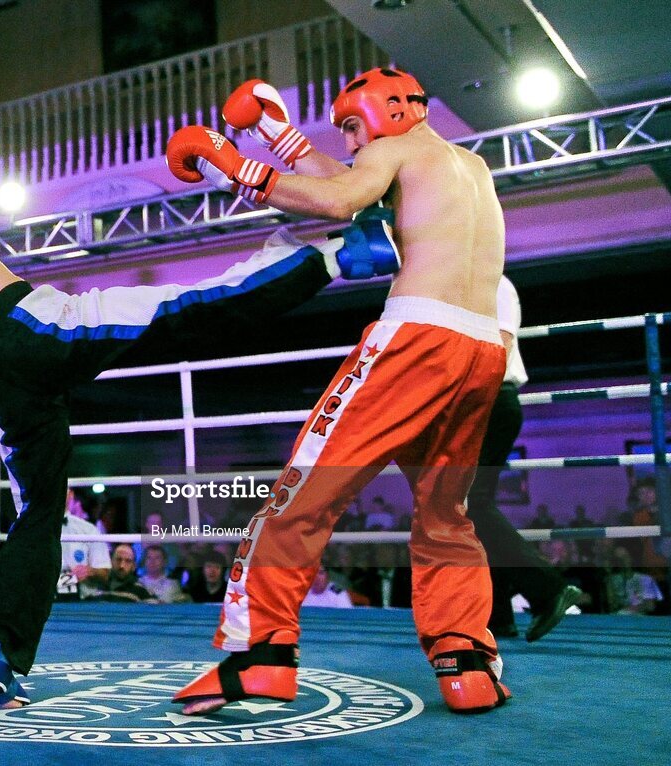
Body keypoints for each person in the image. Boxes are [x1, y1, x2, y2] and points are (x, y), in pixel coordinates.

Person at [0, 136, 385, 708]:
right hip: (32, 329)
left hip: (1, 380)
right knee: (179, 310)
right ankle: (338, 254)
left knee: (38, 516)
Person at [166, 67, 511, 714]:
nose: (352, 141)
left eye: (353, 126)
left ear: (389, 110)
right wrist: (279, 137)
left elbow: (338, 200)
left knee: (305, 489)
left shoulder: (391, 148)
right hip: (482, 349)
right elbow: (355, 185)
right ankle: (466, 661)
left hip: (417, 340)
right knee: (445, 514)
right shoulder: (467, 165)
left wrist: (233, 167)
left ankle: (261, 653)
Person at [465, 275, 582, 641]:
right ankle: (499, 614)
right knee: (472, 508)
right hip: (478, 405)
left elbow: (499, 348)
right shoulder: (459, 285)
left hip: (489, 401)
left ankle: (548, 590)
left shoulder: (494, 284)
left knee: (471, 504)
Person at [57, 489, 110, 601]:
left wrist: (90, 571)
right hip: (45, 600)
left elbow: (105, 573)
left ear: (71, 494)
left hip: (84, 600)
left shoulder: (88, 530)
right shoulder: (34, 530)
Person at [80, 544, 156, 603]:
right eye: (118, 559)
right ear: (111, 561)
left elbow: (155, 612)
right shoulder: (96, 585)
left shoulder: (142, 590)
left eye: (128, 561)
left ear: (134, 566)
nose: (121, 565)